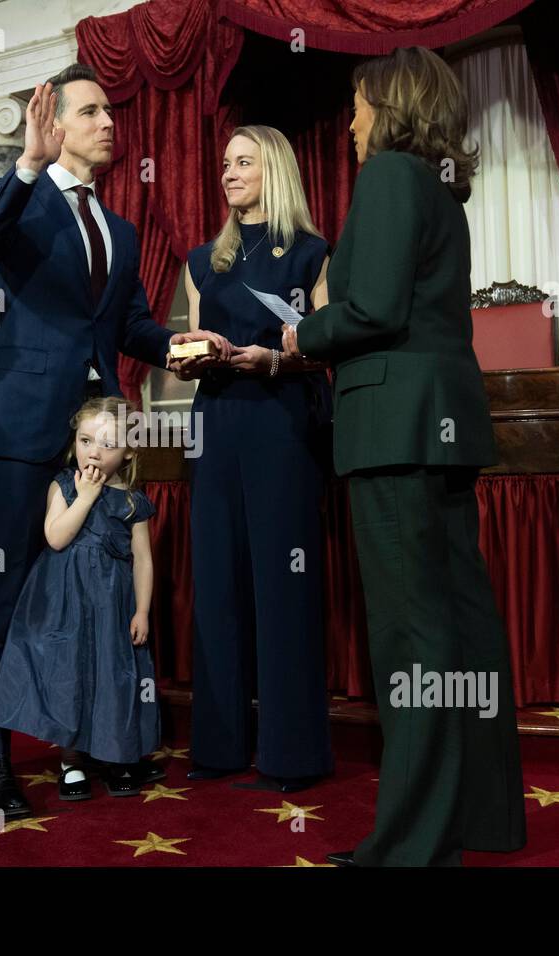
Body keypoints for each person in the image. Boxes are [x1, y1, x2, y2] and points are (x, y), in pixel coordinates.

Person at [0, 63, 229, 818]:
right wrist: (27, 164)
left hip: (95, 440)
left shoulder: (122, 226)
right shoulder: (25, 199)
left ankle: (99, 743)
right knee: (2, 601)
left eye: (111, 112)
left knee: (96, 599)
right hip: (17, 430)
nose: (110, 123)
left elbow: (126, 326)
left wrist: (178, 344)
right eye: (94, 111)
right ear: (56, 123)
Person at [284, 47, 527, 866]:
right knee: (463, 629)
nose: (349, 122)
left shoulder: (389, 175)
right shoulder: (443, 190)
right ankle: (482, 819)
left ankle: (412, 848)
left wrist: (300, 334)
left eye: (356, 104)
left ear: (388, 106)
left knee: (413, 642)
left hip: (392, 429)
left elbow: (374, 309)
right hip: (443, 426)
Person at [175, 126, 334, 791]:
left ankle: (291, 753)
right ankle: (218, 744)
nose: (228, 172)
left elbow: (331, 345)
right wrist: (190, 356)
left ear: (274, 169)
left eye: (243, 162)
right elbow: (179, 353)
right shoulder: (200, 260)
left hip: (282, 424)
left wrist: (274, 358)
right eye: (224, 163)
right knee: (216, 585)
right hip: (213, 425)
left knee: (282, 586)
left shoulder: (313, 253)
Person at [0, 397, 158, 799]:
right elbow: (56, 537)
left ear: (129, 450)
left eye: (107, 443)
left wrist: (143, 610)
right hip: (66, 606)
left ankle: (117, 757)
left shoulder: (133, 501)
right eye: (84, 440)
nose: (93, 451)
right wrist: (85, 497)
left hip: (114, 608)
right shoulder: (63, 486)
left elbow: (143, 561)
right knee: (70, 677)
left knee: (114, 678)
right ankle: (71, 760)